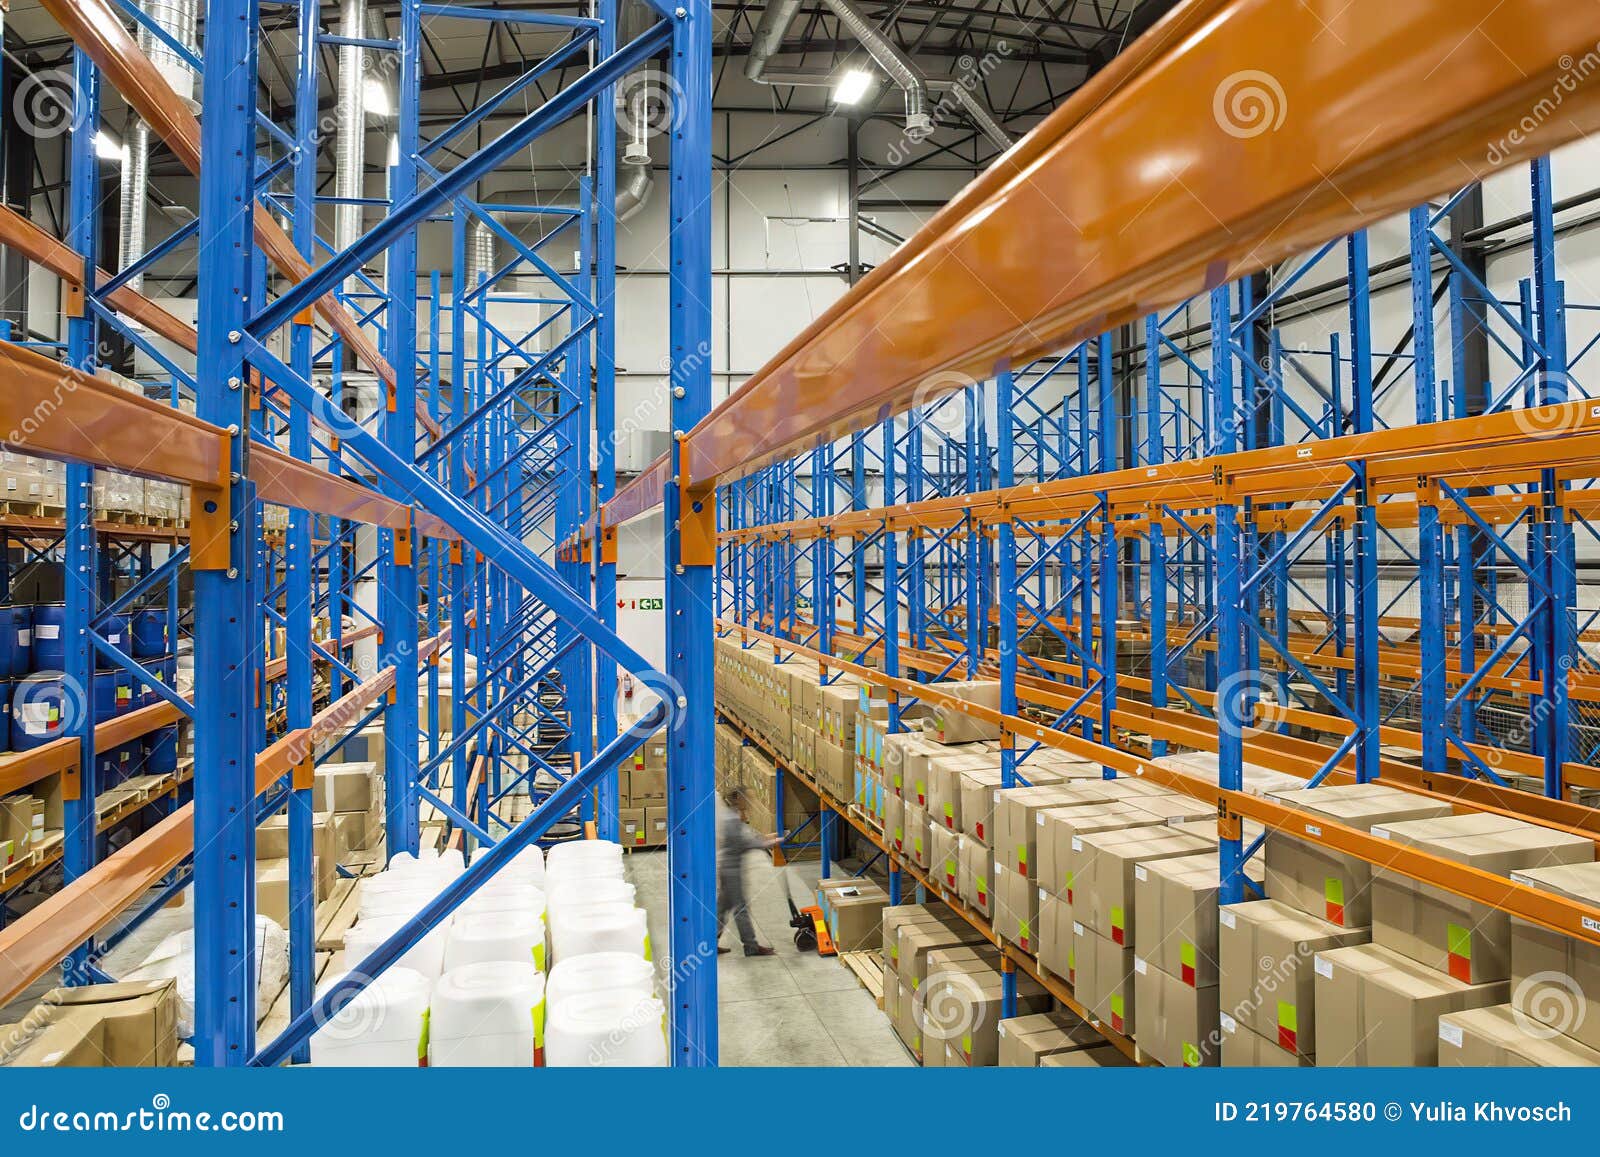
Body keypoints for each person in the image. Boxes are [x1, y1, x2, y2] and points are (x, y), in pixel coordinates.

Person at [718, 788, 778, 957]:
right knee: (740, 908)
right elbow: (742, 844)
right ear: (738, 798)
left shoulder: (733, 816)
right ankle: (751, 947)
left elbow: (744, 838)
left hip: (728, 867)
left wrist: (765, 837)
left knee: (722, 908)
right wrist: (768, 843)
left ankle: (709, 942)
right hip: (731, 870)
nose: (750, 801)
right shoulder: (731, 819)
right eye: (748, 797)